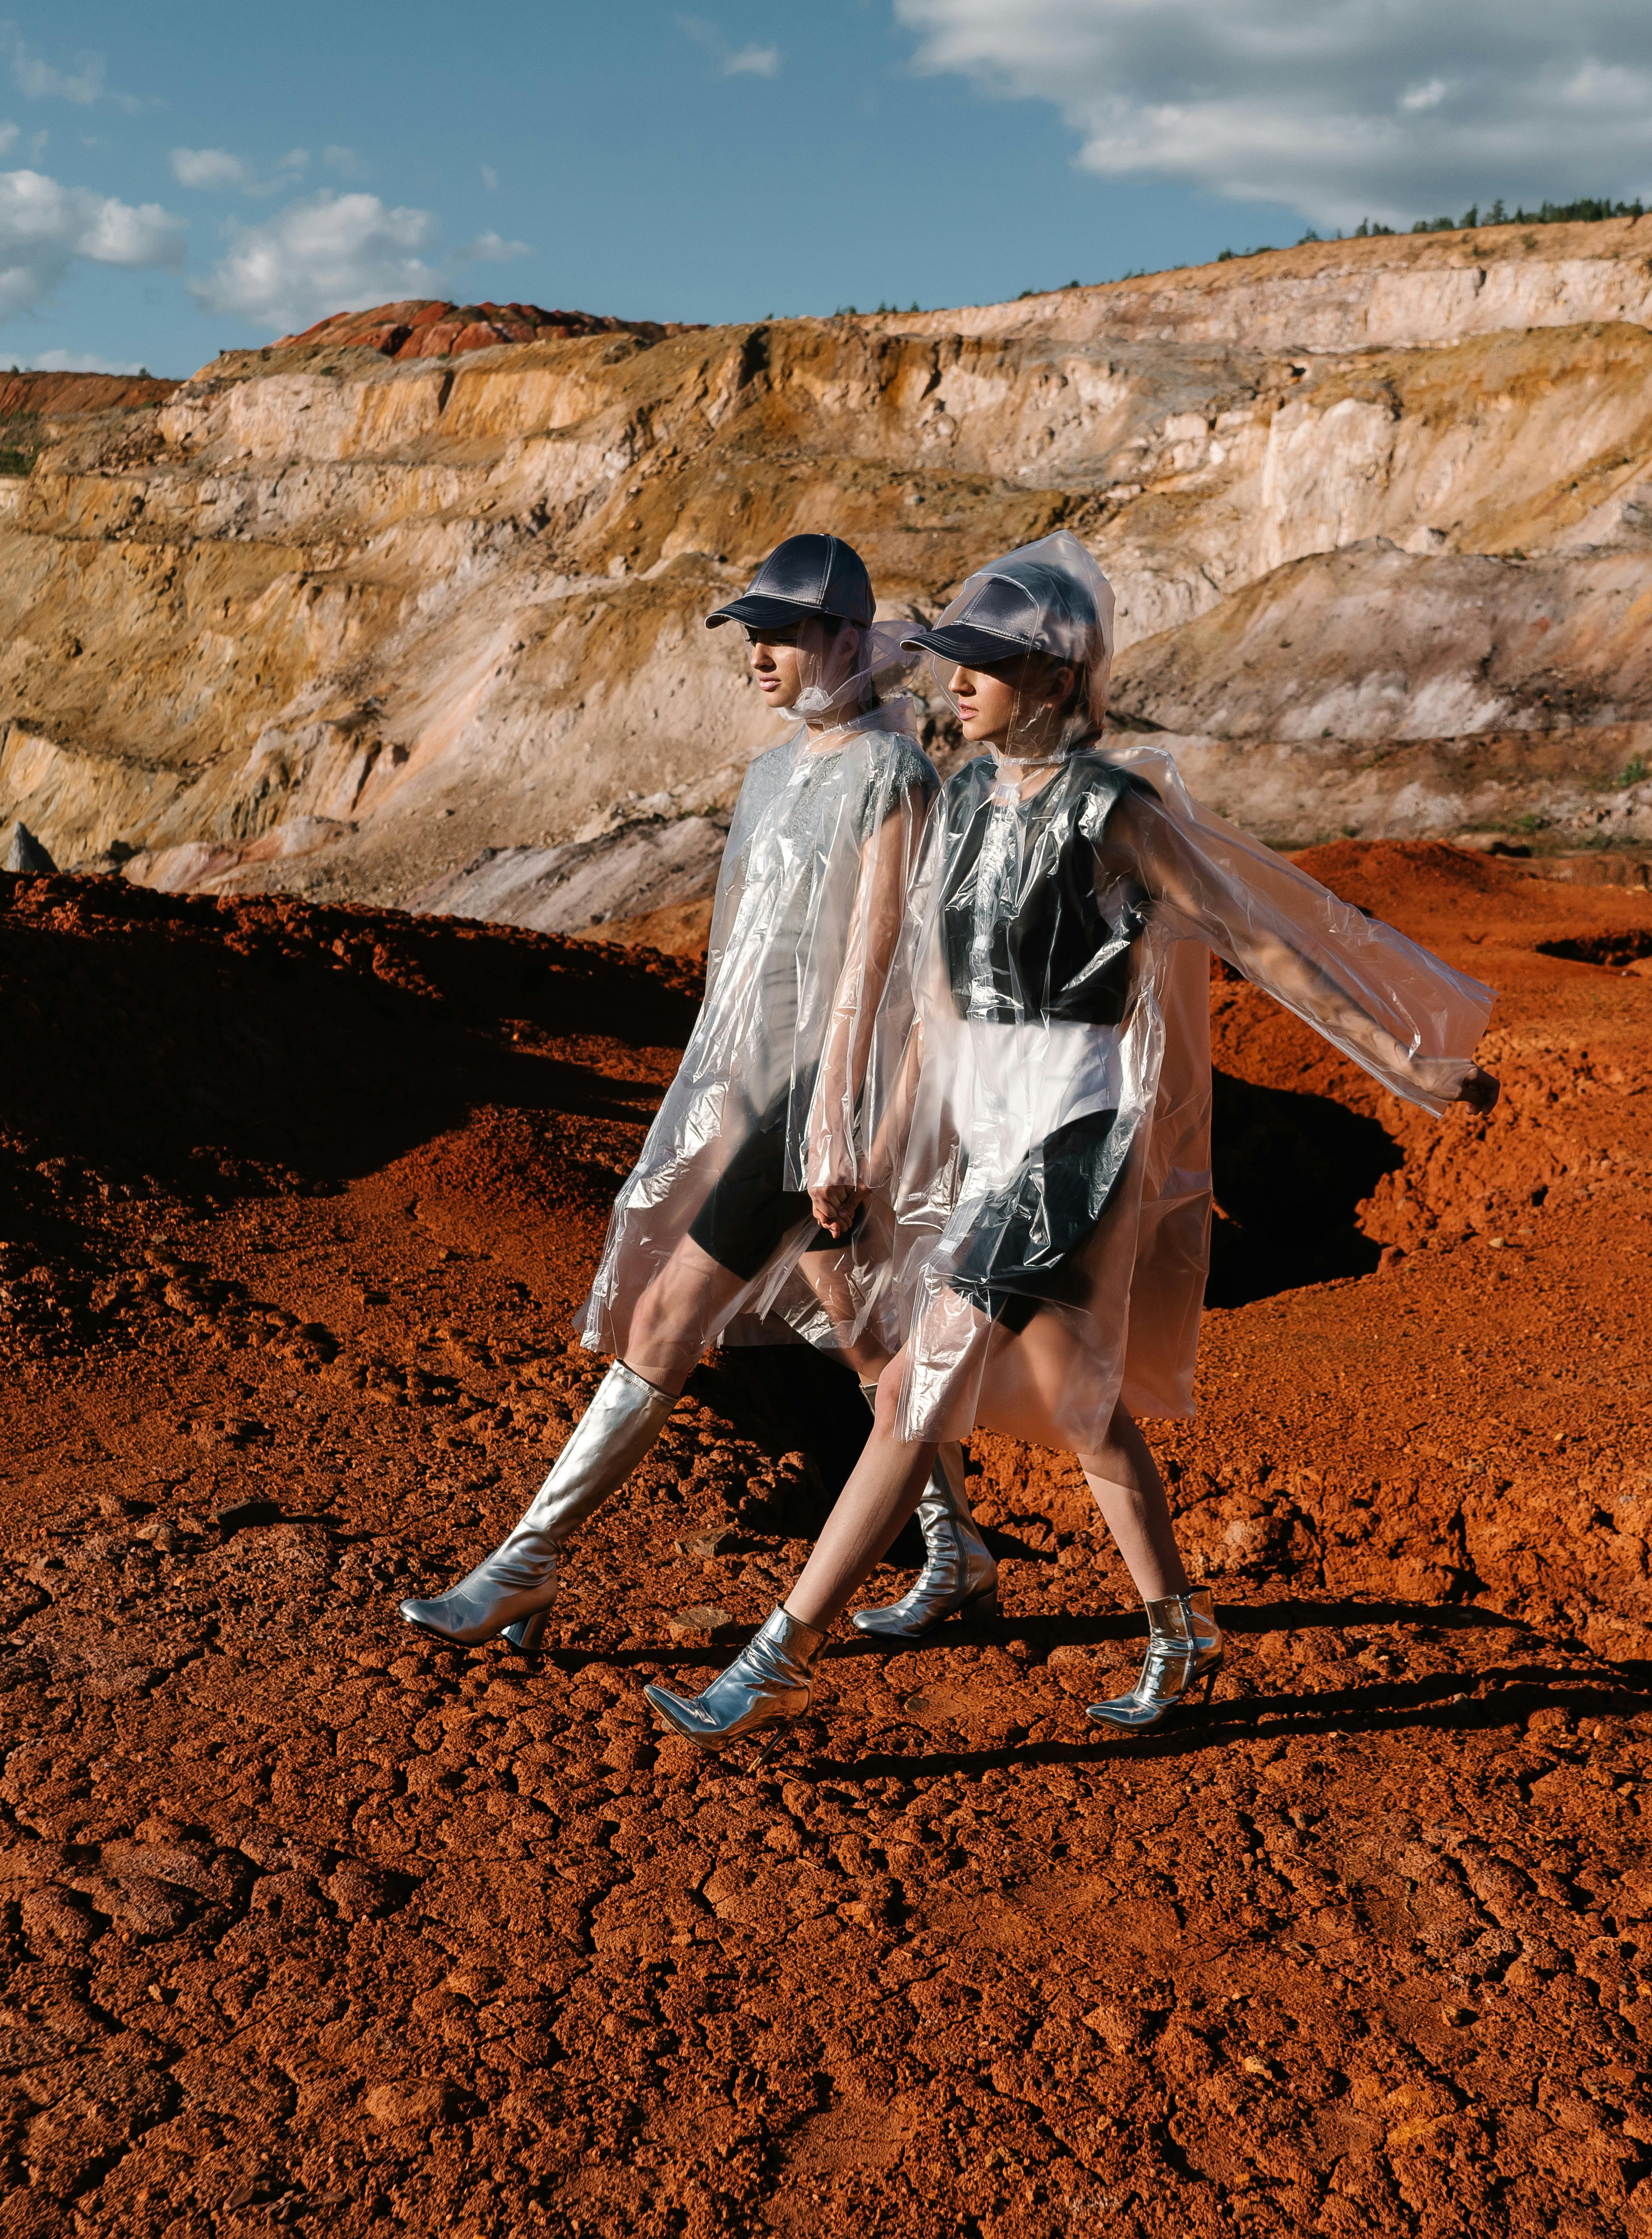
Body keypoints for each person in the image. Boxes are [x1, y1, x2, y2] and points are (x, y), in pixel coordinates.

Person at [643, 532, 1497, 1747]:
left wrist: (1404, 1058)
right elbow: (933, 1011)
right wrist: (881, 1148)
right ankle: (1181, 1630)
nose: (956, 680)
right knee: (1078, 1401)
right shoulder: (970, 806)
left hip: (1074, 1140)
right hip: (985, 1142)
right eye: (952, 660)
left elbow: (1255, 937)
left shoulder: (1114, 808)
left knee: (916, 1392)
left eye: (985, 664)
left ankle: (772, 1661)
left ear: (1055, 680)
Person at [397, 534, 993, 1651]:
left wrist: (831, 1123)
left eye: (780, 636)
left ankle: (524, 1567)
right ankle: (956, 1551)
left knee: (670, 1314)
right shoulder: (773, 773)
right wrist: (720, 1096)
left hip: (823, 1100)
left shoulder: (893, 773)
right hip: (758, 1091)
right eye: (750, 635)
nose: (756, 655)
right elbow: (747, 964)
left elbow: (877, 965)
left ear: (845, 640)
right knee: (863, 1333)